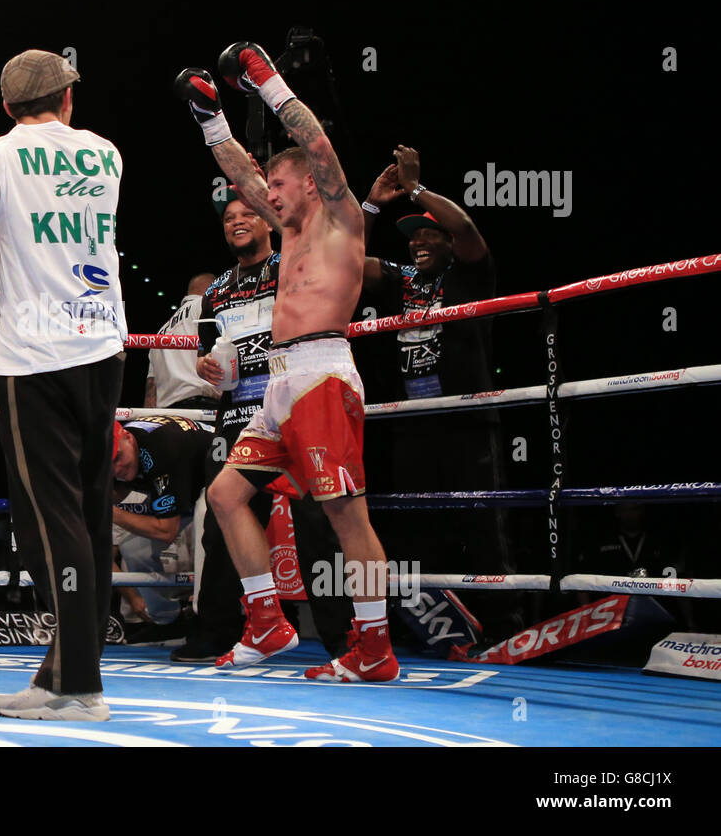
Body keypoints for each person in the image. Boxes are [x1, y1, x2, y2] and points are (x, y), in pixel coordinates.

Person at [175, 42, 398, 681]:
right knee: (224, 494)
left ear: (307, 181)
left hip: (324, 374)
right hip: (279, 382)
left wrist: (268, 83)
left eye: (276, 184)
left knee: (344, 513)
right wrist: (211, 121)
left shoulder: (340, 217)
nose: (264, 194)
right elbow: (240, 172)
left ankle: (375, 647)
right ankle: (268, 622)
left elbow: (319, 145)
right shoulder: (293, 231)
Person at [0, 49, 125, 720]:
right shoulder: (105, 153)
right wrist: (7, 160)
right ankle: (62, 675)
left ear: (7, 108)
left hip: (35, 357)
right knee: (91, 513)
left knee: (52, 522)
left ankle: (80, 685)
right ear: (69, 98)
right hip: (103, 349)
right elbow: (51, 180)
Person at [172, 194, 353, 663]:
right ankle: (224, 630)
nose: (237, 222)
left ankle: (341, 638)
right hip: (236, 417)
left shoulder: (290, 265)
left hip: (296, 407)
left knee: (320, 522)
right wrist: (209, 368)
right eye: (229, 218)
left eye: (246, 213)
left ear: (268, 220)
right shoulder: (216, 291)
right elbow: (210, 352)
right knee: (220, 523)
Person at [361, 145, 520, 637]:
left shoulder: (469, 274)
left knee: (481, 523)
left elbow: (470, 231)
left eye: (430, 232)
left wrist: (416, 189)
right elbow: (346, 258)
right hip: (413, 422)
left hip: (467, 418)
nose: (418, 241)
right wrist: (370, 204)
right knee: (414, 523)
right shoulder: (401, 279)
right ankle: (427, 625)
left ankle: (502, 624)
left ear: (447, 241)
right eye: (413, 235)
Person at [111, 418, 213, 631]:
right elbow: (110, 493)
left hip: (217, 481)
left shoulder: (162, 448)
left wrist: (109, 512)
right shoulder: (117, 452)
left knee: (207, 530)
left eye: (118, 458)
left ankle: (208, 619)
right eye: (108, 465)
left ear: (128, 438)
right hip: (186, 490)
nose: (116, 469)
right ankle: (166, 619)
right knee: (133, 549)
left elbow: (166, 531)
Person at [145, 274, 219, 410]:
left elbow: (151, 387)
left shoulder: (161, 331)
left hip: (167, 416)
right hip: (203, 406)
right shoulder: (204, 305)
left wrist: (149, 420)